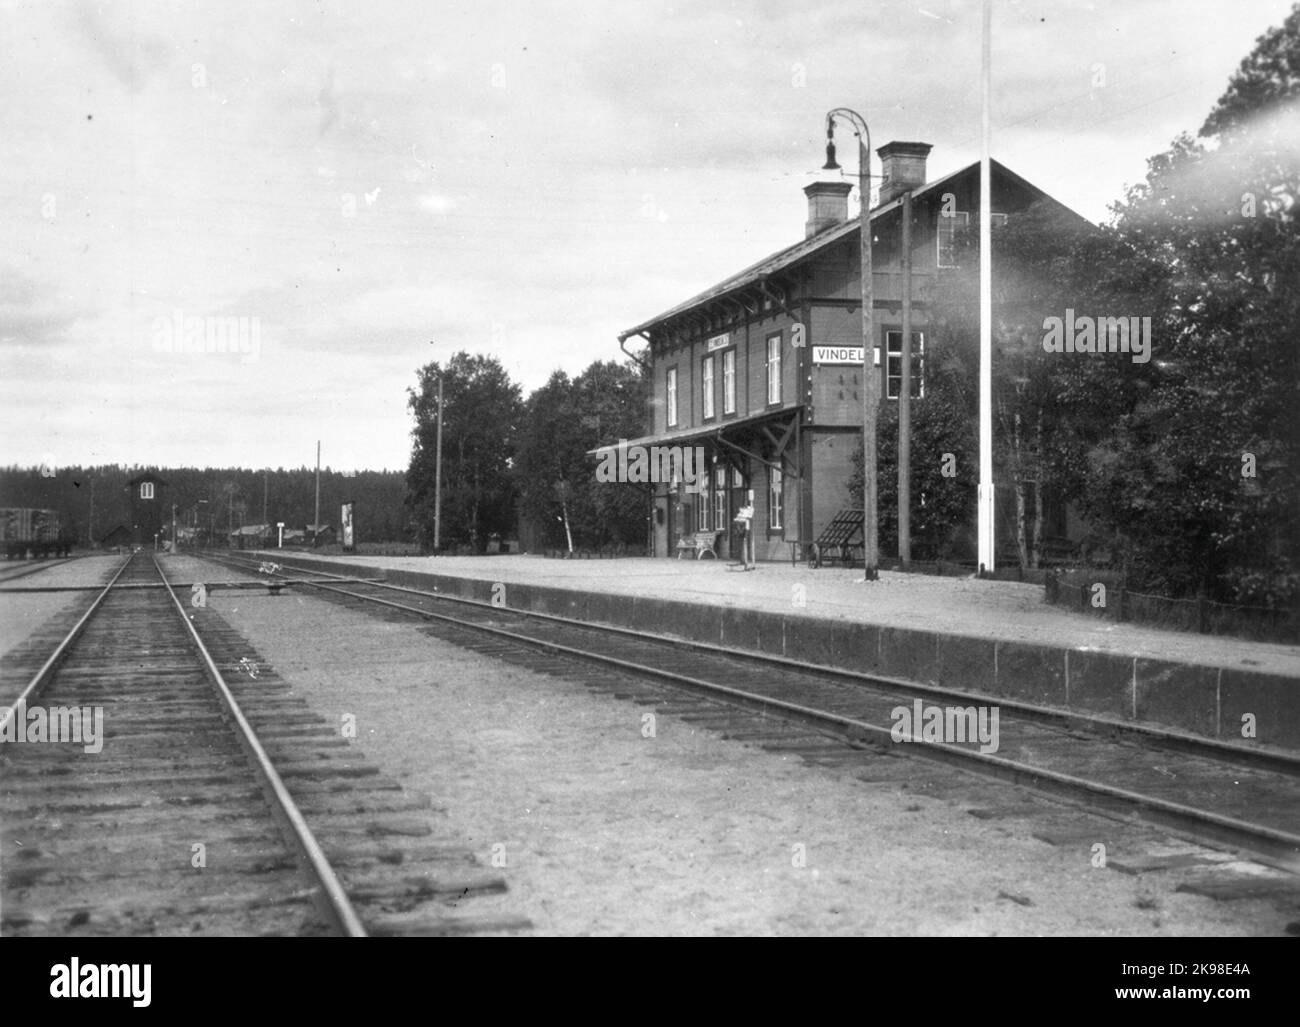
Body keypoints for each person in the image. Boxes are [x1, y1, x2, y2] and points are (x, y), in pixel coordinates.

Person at [734, 503, 755, 570]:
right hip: (743, 531)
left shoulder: (746, 515)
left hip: (745, 530)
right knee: (744, 544)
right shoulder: (741, 515)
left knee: (746, 544)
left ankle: (747, 562)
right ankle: (744, 561)